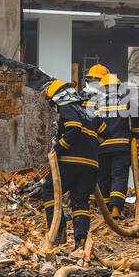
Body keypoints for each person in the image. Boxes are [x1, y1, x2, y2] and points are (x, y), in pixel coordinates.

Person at [41, 79, 105, 248]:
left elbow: (74, 128)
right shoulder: (89, 110)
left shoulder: (67, 108)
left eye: (52, 103)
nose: (53, 107)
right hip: (91, 165)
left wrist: (58, 149)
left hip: (70, 162)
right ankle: (81, 241)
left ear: (58, 98)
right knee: (81, 201)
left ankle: (58, 231)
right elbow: (105, 133)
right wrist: (89, 147)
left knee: (49, 190)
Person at [94, 73, 139, 218]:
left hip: (102, 148)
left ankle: (105, 209)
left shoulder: (95, 104)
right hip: (121, 146)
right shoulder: (125, 101)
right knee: (119, 176)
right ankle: (116, 208)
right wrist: (135, 133)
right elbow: (137, 112)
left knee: (103, 177)